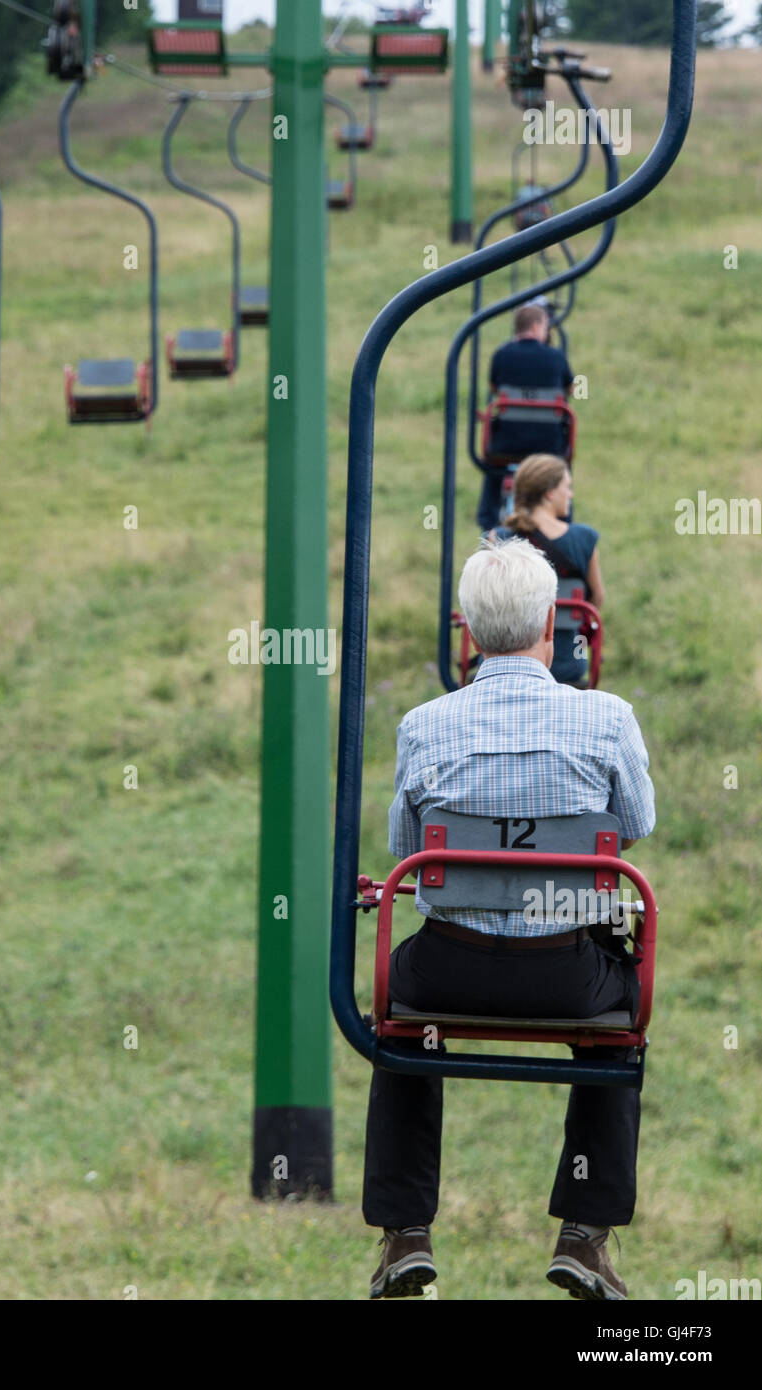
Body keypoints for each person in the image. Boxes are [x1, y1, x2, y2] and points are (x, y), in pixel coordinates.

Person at [365, 537, 655, 1301]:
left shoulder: (425, 725)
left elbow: (405, 850)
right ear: (551, 620)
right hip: (565, 978)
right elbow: (637, 821)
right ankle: (583, 1237)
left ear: (465, 627)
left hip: (447, 969)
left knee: (400, 1018)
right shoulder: (605, 718)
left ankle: (405, 1233)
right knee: (619, 1024)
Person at [490, 452, 603, 687]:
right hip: (569, 663)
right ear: (550, 493)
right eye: (567, 487)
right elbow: (596, 600)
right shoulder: (584, 539)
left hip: (502, 665)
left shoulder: (497, 538)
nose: (570, 494)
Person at [478, 302, 574, 531]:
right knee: (562, 467)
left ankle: (488, 522)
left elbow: (494, 388)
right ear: (536, 325)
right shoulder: (556, 357)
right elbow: (569, 389)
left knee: (493, 470)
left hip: (506, 445)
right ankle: (563, 525)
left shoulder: (501, 355)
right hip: (548, 445)